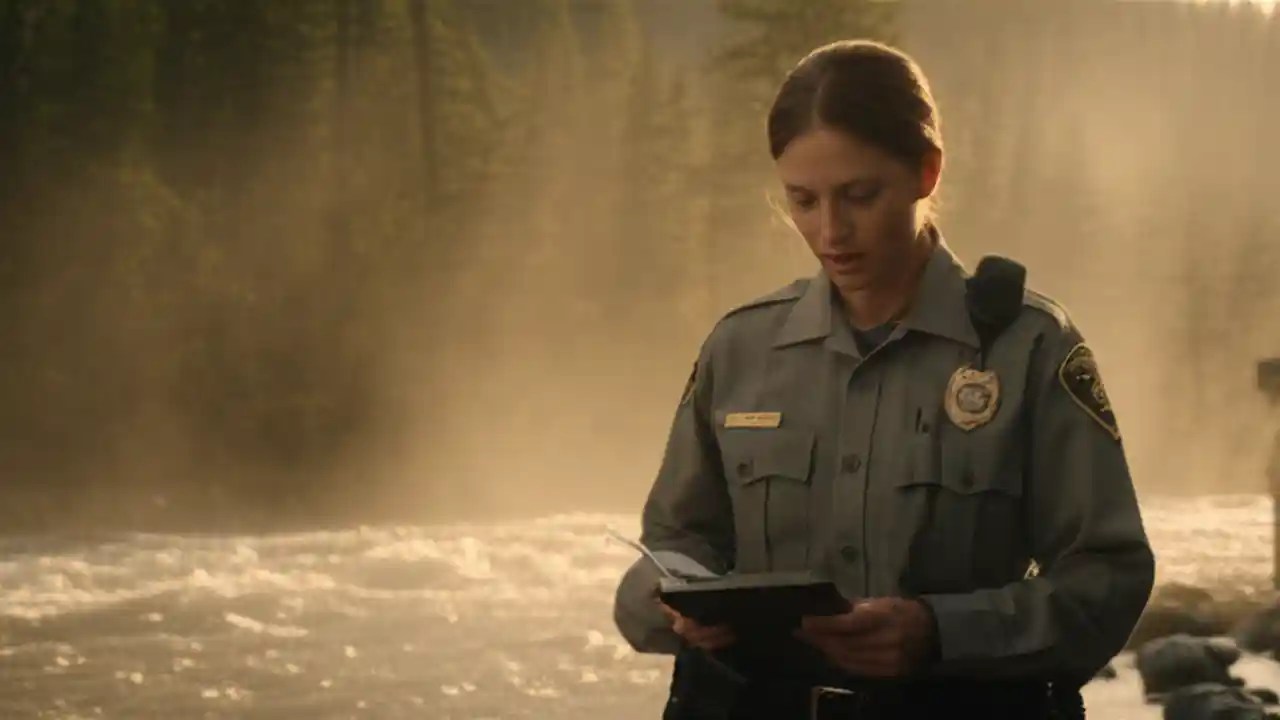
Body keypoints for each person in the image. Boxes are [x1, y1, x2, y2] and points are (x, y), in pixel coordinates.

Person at [612, 39, 1155, 719]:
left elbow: (1109, 578)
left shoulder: (1028, 350)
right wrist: (676, 603)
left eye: (859, 195)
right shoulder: (742, 349)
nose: (831, 231)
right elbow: (672, 544)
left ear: (926, 172)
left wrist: (940, 632)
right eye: (803, 201)